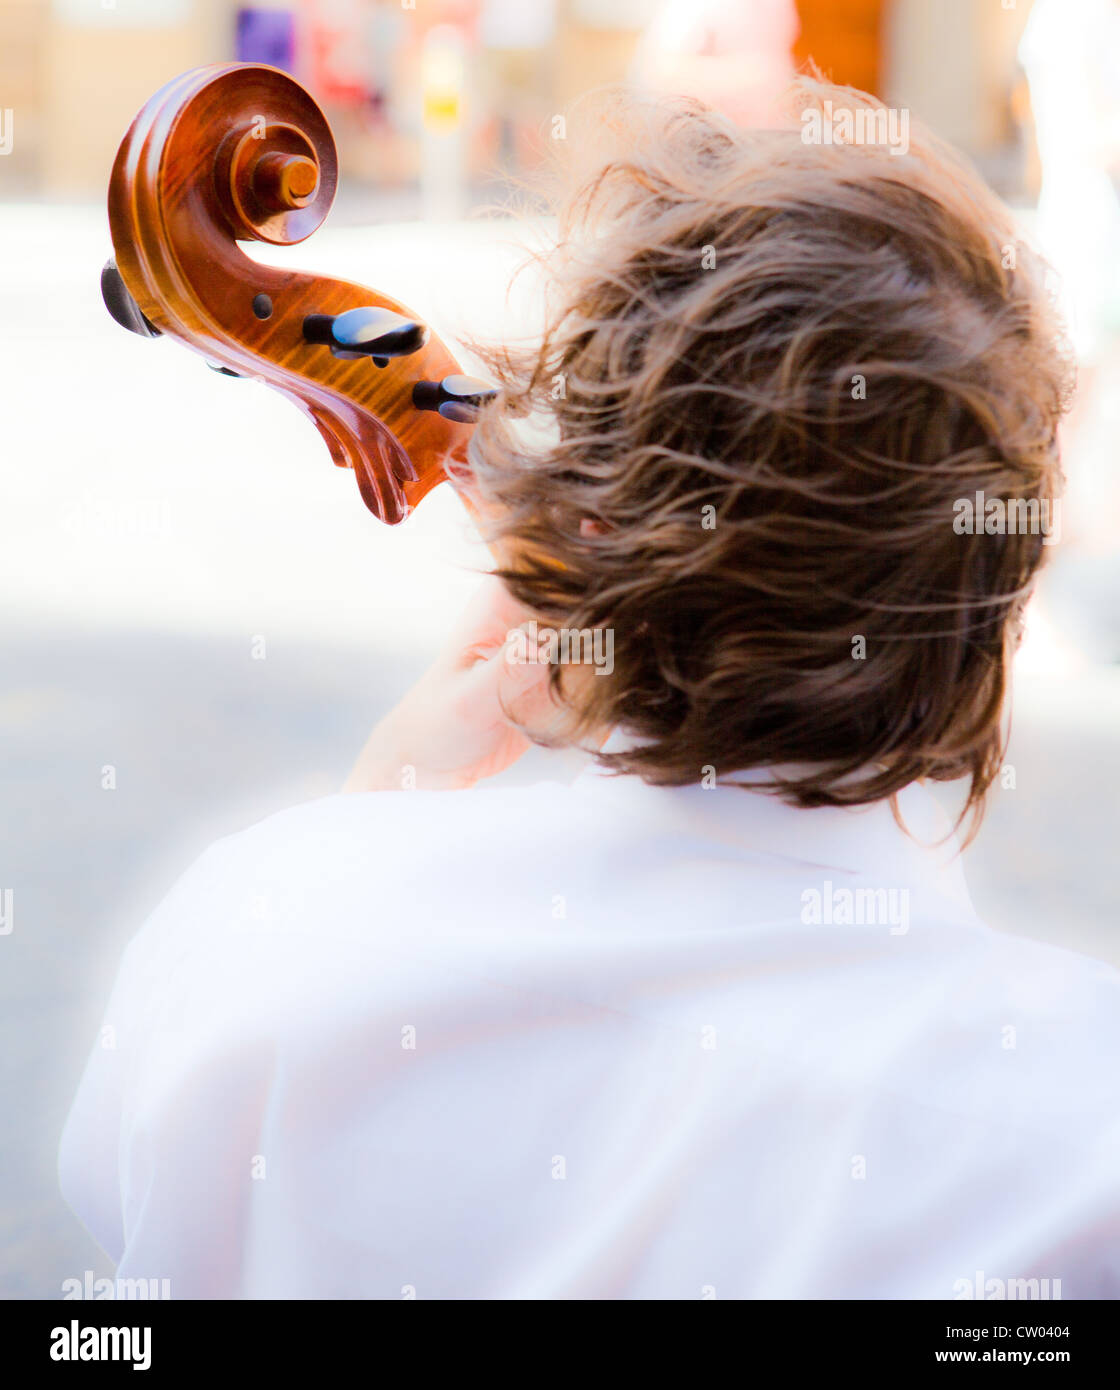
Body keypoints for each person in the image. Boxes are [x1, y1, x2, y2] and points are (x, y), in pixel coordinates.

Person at [60, 80, 1120, 1300]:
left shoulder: (241, 946)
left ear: (585, 541)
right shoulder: (1076, 1148)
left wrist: (363, 827)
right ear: (1000, 582)